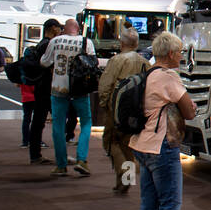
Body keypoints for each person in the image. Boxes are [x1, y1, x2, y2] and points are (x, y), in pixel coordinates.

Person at [128, 31, 197, 210]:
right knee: (170, 206)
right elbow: (189, 110)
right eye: (179, 52)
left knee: (148, 207)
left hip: (142, 145)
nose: (181, 56)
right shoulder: (168, 76)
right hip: (162, 147)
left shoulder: (147, 75)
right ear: (170, 54)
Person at [41, 17, 96, 177]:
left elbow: (44, 62)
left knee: (58, 126)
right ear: (78, 29)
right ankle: (81, 160)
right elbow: (93, 62)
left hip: (58, 88)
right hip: (79, 89)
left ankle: (61, 165)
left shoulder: (56, 41)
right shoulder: (86, 42)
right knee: (86, 123)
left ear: (64, 29)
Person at [98, 28, 148, 194]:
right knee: (127, 145)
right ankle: (124, 181)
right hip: (136, 111)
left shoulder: (117, 60)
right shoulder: (144, 62)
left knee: (110, 141)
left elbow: (106, 85)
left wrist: (104, 103)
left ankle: (125, 172)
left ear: (122, 42)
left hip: (116, 109)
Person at [27, 19, 62, 167]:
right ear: (53, 28)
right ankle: (39, 155)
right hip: (46, 87)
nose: (60, 31)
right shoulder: (49, 44)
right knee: (46, 121)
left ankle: (35, 154)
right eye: (59, 28)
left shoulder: (41, 43)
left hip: (41, 86)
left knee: (38, 121)